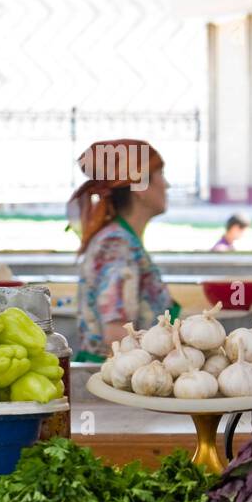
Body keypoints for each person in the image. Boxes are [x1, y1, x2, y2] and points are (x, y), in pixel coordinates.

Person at [69, 138, 179, 361]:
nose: (166, 185)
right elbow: (117, 336)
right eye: (160, 174)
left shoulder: (121, 240)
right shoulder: (116, 246)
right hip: (116, 382)